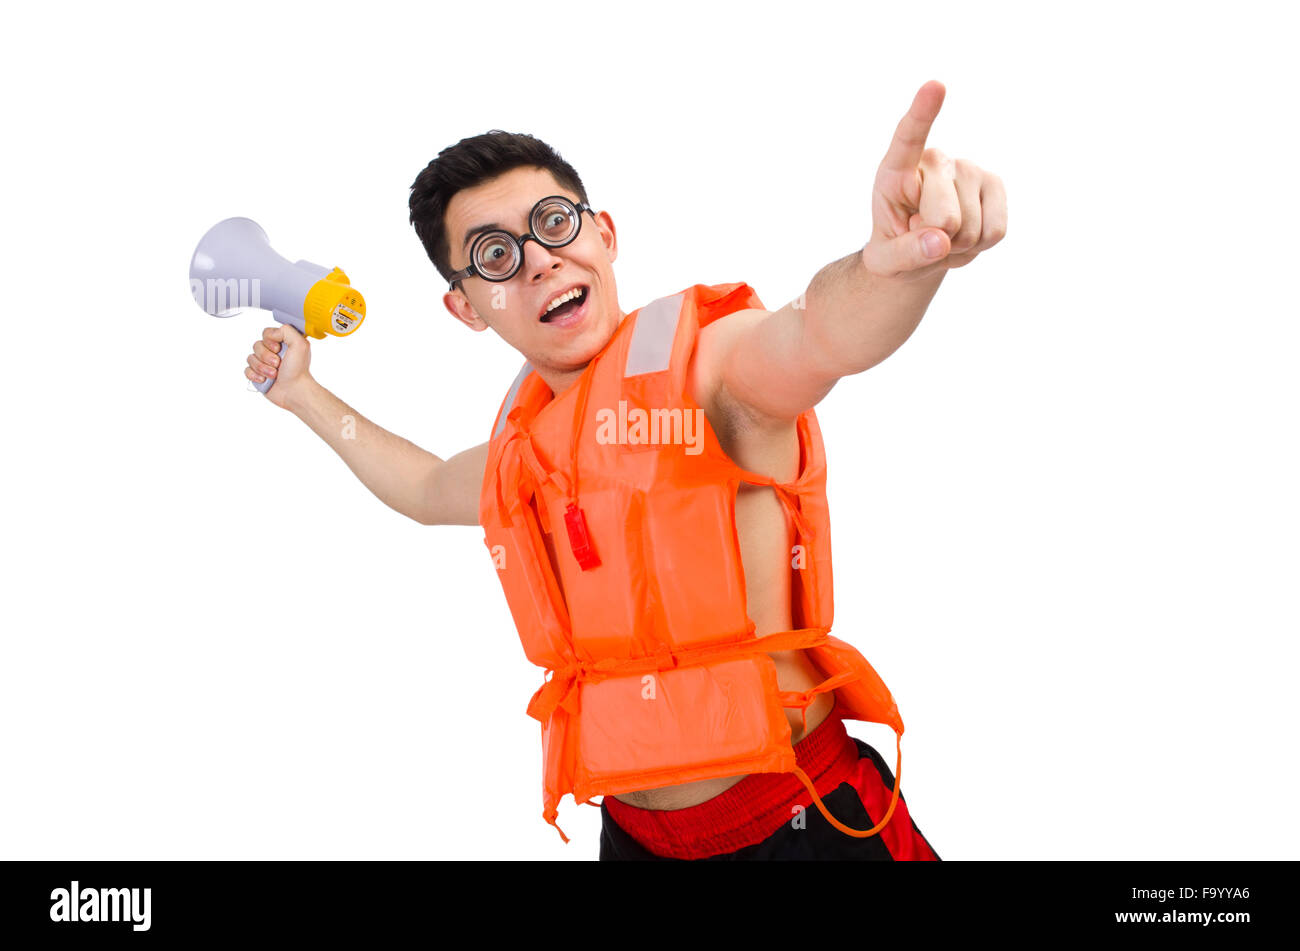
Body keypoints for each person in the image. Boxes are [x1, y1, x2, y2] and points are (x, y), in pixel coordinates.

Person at [244, 80, 1005, 860]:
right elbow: (425, 485)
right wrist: (303, 394)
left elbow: (818, 337)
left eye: (553, 223)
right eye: (496, 254)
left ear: (603, 235)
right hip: (636, 838)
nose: (539, 259)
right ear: (467, 307)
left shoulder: (711, 370)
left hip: (797, 824)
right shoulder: (528, 445)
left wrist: (894, 270)